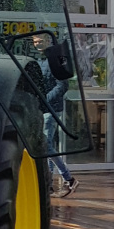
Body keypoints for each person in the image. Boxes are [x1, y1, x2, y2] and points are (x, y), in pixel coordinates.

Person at [33, 33, 78, 196]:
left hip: (51, 109)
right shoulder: (38, 61)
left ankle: (68, 178)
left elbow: (62, 86)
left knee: (47, 146)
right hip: (41, 108)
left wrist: (45, 100)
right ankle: (49, 184)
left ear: (48, 41)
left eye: (40, 41)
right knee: (47, 145)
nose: (38, 44)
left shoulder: (55, 59)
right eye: (35, 41)